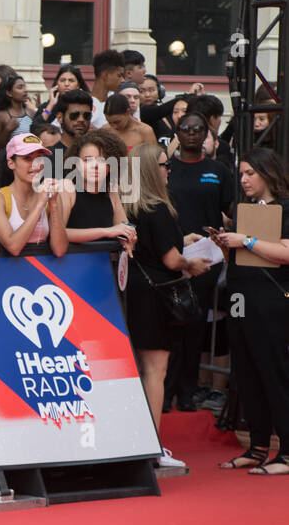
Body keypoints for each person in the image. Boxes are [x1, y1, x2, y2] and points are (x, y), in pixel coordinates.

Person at [121, 144, 208, 469]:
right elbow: (171, 260)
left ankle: (137, 444)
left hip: (132, 292)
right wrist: (191, 263)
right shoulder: (158, 208)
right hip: (157, 296)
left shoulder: (127, 207)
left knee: (138, 370)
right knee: (155, 372)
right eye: (162, 164)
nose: (168, 168)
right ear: (149, 171)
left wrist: (179, 243)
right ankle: (152, 448)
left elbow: (151, 246)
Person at [209, 147, 289, 474]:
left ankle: (285, 451)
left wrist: (247, 241)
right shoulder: (242, 211)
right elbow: (243, 258)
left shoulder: (285, 208)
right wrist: (227, 245)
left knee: (273, 371)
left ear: (268, 173)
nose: (243, 180)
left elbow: (285, 253)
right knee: (245, 372)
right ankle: (256, 446)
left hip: (271, 300)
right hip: (240, 296)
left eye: (249, 173)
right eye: (241, 174)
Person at [163, 111, 235, 412]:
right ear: (177, 132)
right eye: (186, 128)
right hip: (169, 257)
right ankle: (164, 391)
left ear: (208, 133)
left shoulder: (218, 170)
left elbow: (228, 210)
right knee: (169, 328)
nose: (192, 133)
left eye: (198, 128)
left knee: (195, 328)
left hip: (205, 260)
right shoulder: (167, 170)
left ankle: (189, 390)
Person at [0, 133, 69, 257]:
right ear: (11, 163)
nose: (36, 164)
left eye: (39, 158)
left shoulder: (51, 196)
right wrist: (39, 205)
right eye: (27, 158)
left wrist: (53, 204)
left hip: (43, 272)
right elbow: (13, 247)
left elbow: (60, 250)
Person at [60, 128, 136, 246]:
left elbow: (124, 228)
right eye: (87, 160)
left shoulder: (111, 191)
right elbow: (58, 234)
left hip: (104, 262)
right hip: (71, 262)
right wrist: (106, 232)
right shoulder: (67, 188)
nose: (94, 166)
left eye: (102, 160)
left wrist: (129, 236)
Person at [0, 73, 35, 148]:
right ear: (9, 93)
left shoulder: (31, 113)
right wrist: (7, 130)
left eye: (25, 87)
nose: (25, 90)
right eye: (20, 87)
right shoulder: (1, 116)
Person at [88, 48, 125, 128]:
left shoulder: (117, 103)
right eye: (119, 75)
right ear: (105, 75)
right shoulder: (83, 101)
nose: (123, 80)